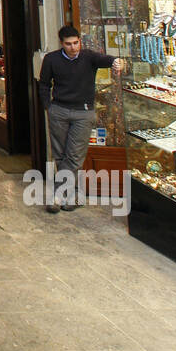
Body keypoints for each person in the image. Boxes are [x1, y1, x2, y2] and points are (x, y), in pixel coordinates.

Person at [38, 24, 124, 212]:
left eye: (76, 43)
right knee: (60, 155)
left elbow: (106, 59)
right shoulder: (51, 59)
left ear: (80, 41)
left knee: (74, 155)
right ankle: (74, 196)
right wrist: (48, 106)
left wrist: (116, 61)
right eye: (69, 44)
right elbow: (44, 84)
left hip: (83, 113)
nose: (73, 47)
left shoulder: (88, 57)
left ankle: (59, 195)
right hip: (59, 110)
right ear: (62, 44)